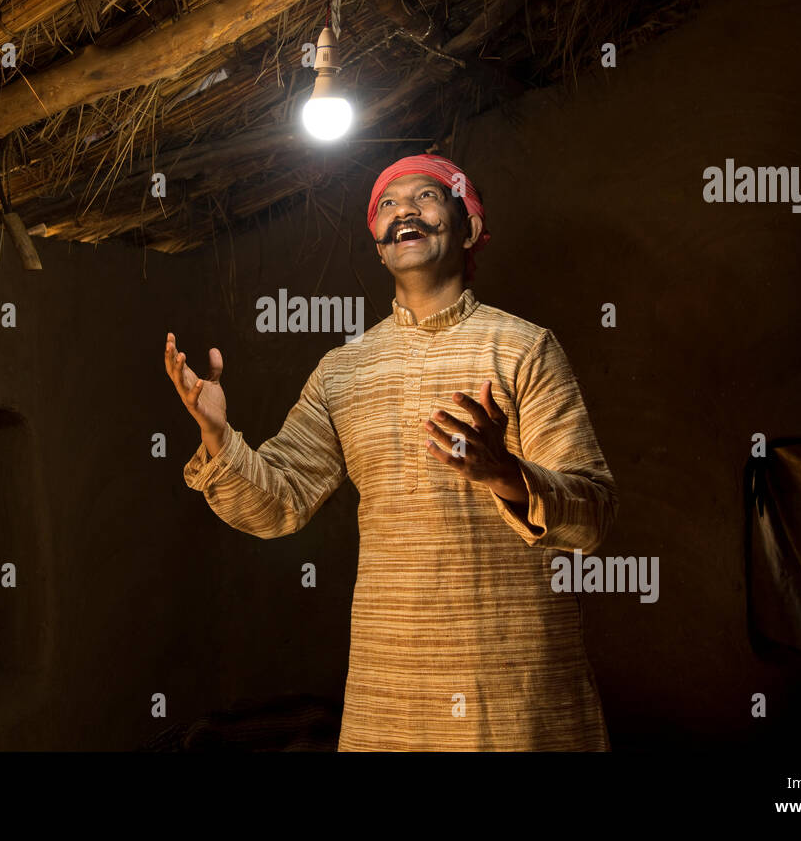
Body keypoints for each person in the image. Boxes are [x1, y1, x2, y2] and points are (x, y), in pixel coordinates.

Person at [163, 153, 618, 750]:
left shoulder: (524, 349)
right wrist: (218, 435)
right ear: (379, 247)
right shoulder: (343, 371)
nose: (404, 209)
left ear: (469, 228)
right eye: (387, 204)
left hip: (512, 685)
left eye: (426, 197)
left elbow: (595, 516)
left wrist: (505, 472)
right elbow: (279, 502)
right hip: (389, 692)